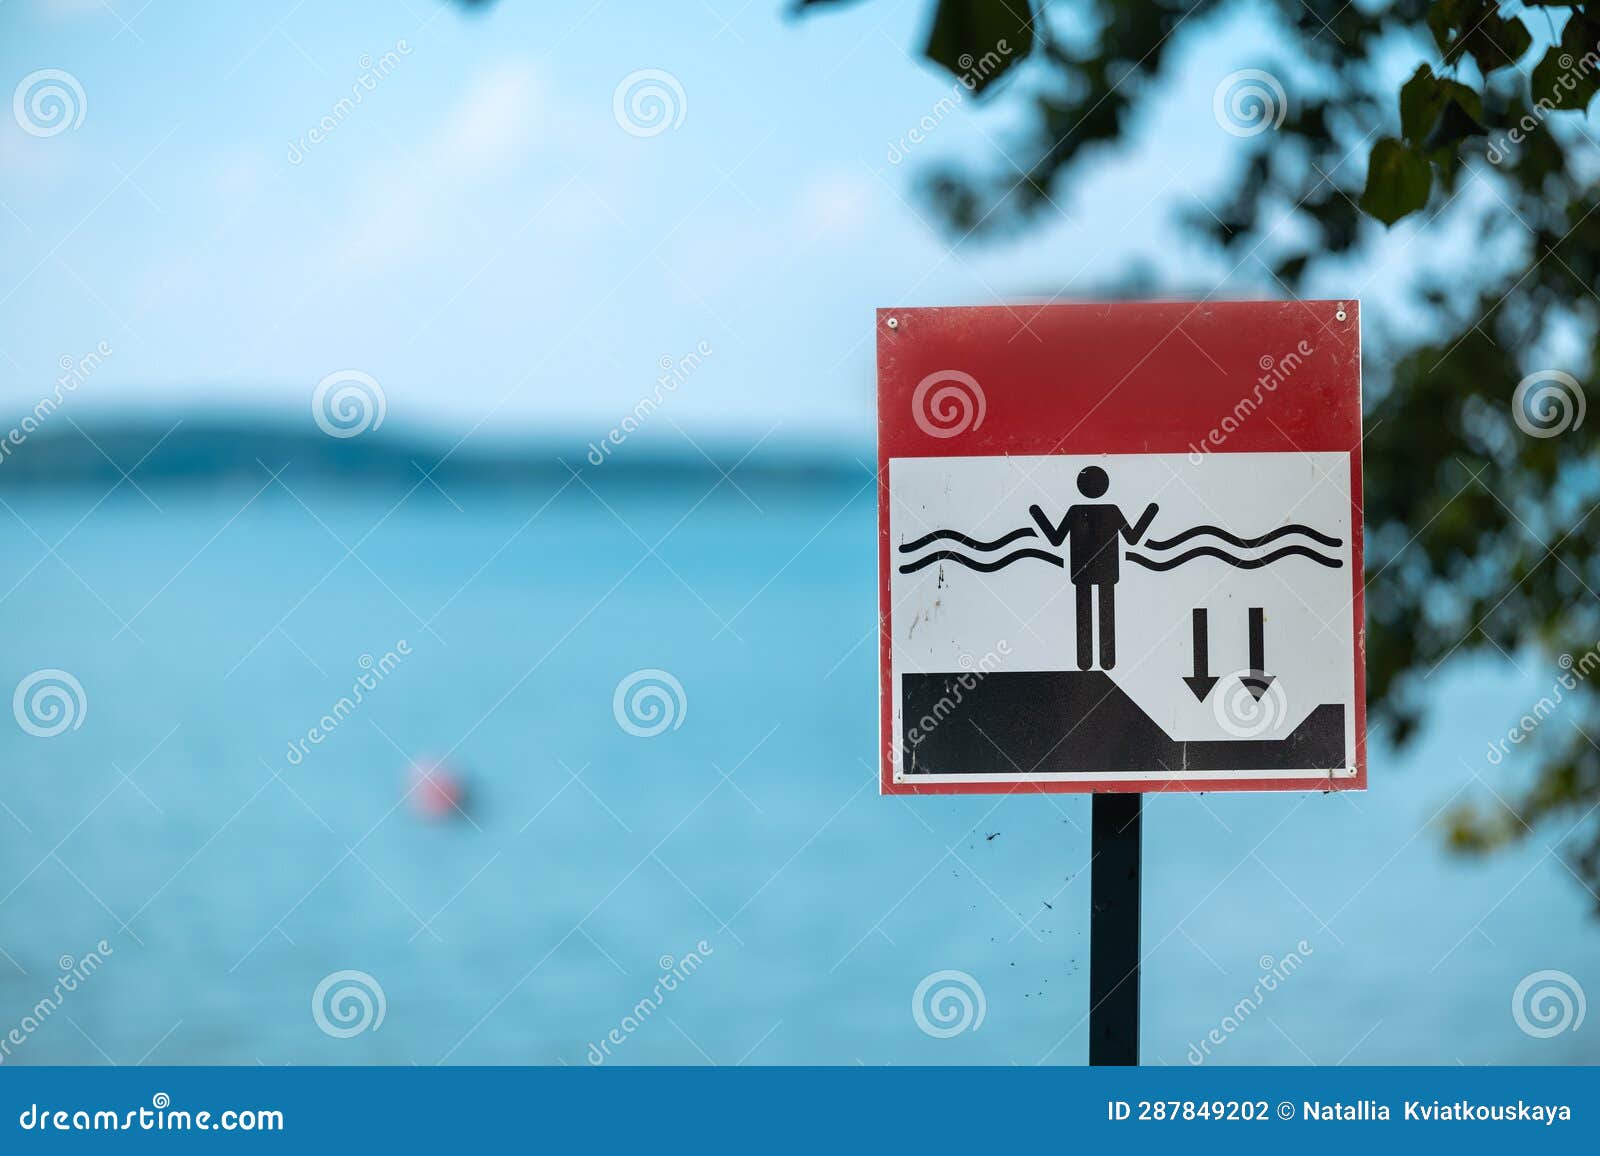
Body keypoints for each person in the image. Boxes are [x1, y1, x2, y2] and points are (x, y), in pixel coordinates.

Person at [1028, 466, 1158, 671]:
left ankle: (1086, 662)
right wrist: (1151, 511)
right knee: (1105, 614)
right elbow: (1133, 539)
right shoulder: (1110, 510)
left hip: (1083, 572)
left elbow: (1055, 540)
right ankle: (1106, 662)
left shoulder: (1077, 511)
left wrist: (1037, 514)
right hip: (1105, 571)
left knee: (1085, 615)